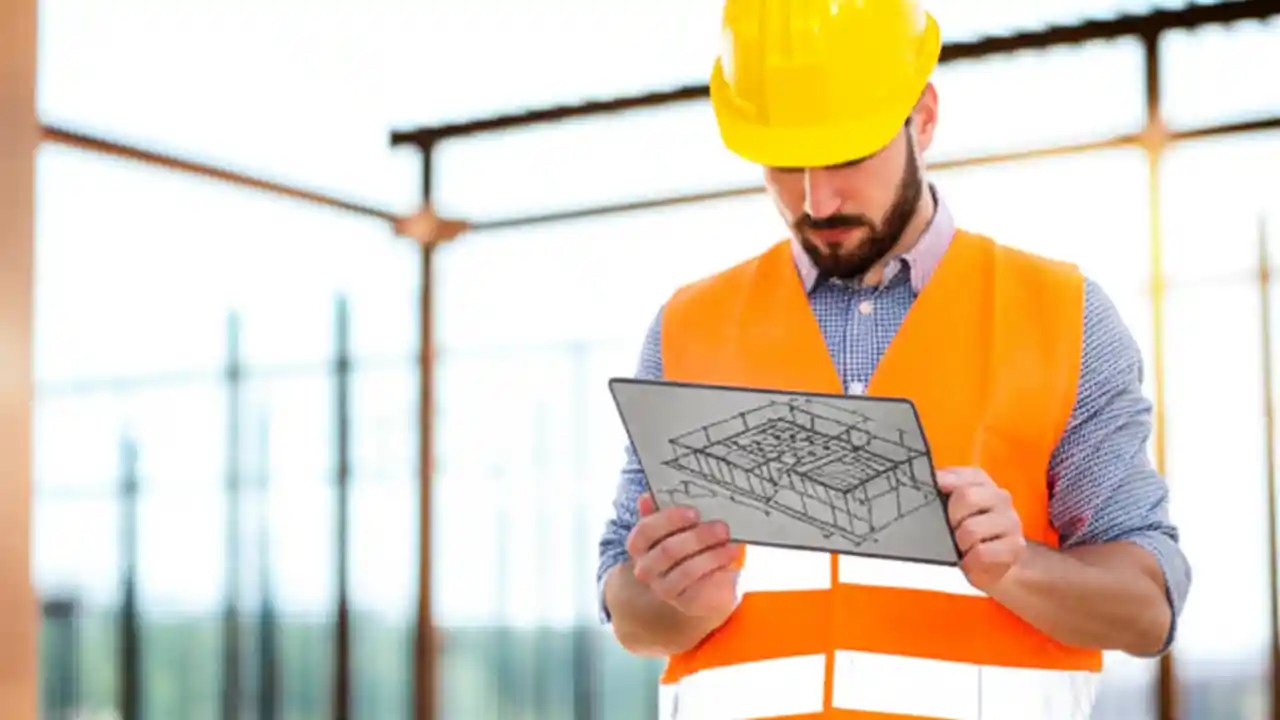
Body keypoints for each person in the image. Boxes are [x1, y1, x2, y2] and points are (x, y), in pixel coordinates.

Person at [594, 1, 1191, 718]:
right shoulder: (687, 326)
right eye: (785, 161)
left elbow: (1148, 608)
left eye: (848, 151)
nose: (817, 198)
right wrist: (680, 602)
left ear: (924, 117)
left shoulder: (1061, 315)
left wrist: (1018, 568)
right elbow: (624, 603)